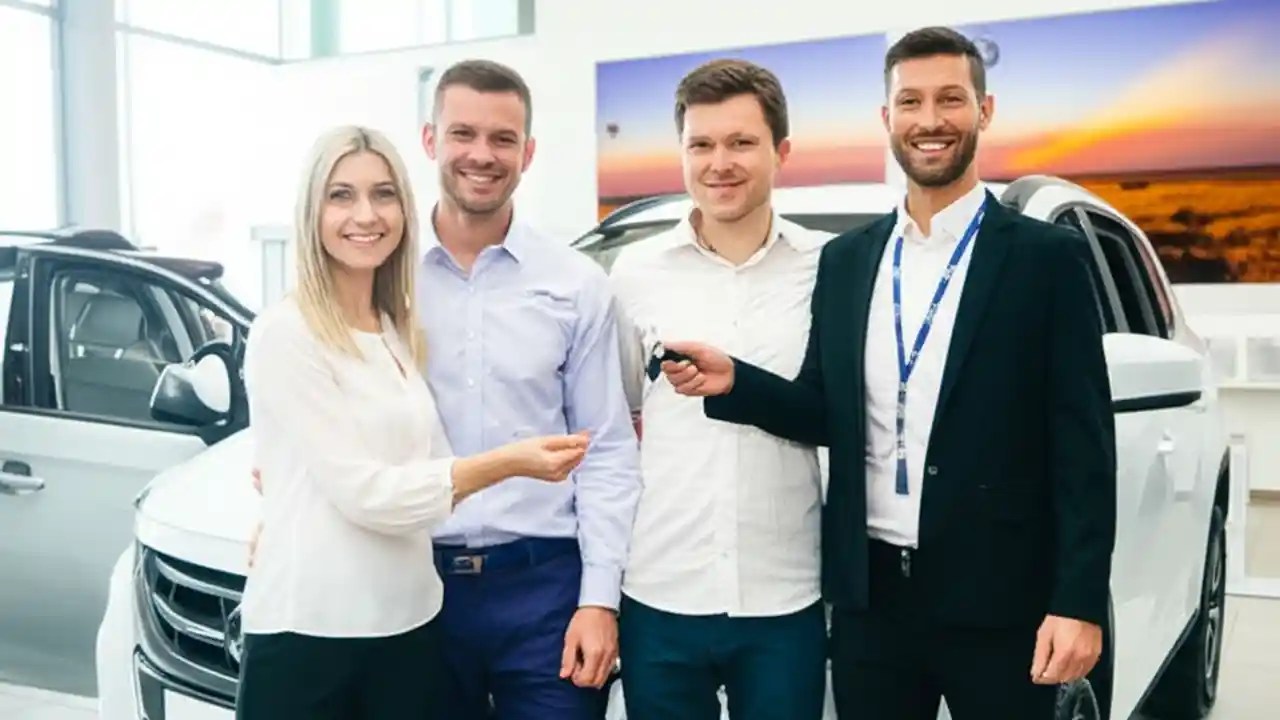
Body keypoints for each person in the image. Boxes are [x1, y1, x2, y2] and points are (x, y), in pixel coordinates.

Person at [660, 27, 1117, 720]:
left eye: (949, 99)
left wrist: (1077, 602)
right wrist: (739, 384)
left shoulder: (1045, 260)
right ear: (887, 119)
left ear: (983, 112)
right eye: (910, 101)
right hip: (872, 606)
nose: (929, 121)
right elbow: (826, 410)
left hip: (1001, 608)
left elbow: (1084, 447)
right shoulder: (849, 261)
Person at [235, 125, 591, 720]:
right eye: (341, 195)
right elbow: (367, 494)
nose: (366, 215)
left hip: (409, 624)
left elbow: (426, 479)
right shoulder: (287, 332)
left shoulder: (394, 331)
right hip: (312, 634)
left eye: (383, 194)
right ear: (310, 212)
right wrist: (512, 462)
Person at [419, 59, 642, 719]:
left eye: (503, 139)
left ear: (529, 152)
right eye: (463, 134)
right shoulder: (380, 277)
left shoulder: (575, 285)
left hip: (545, 590)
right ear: (430, 140)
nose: (481, 155)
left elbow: (606, 450)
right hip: (411, 586)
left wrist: (599, 600)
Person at [607, 59, 828, 720]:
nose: (719, 162)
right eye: (701, 144)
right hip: (659, 592)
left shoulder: (829, 267)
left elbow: (838, 414)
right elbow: (623, 416)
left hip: (785, 597)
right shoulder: (636, 272)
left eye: (741, 143)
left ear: (781, 151)